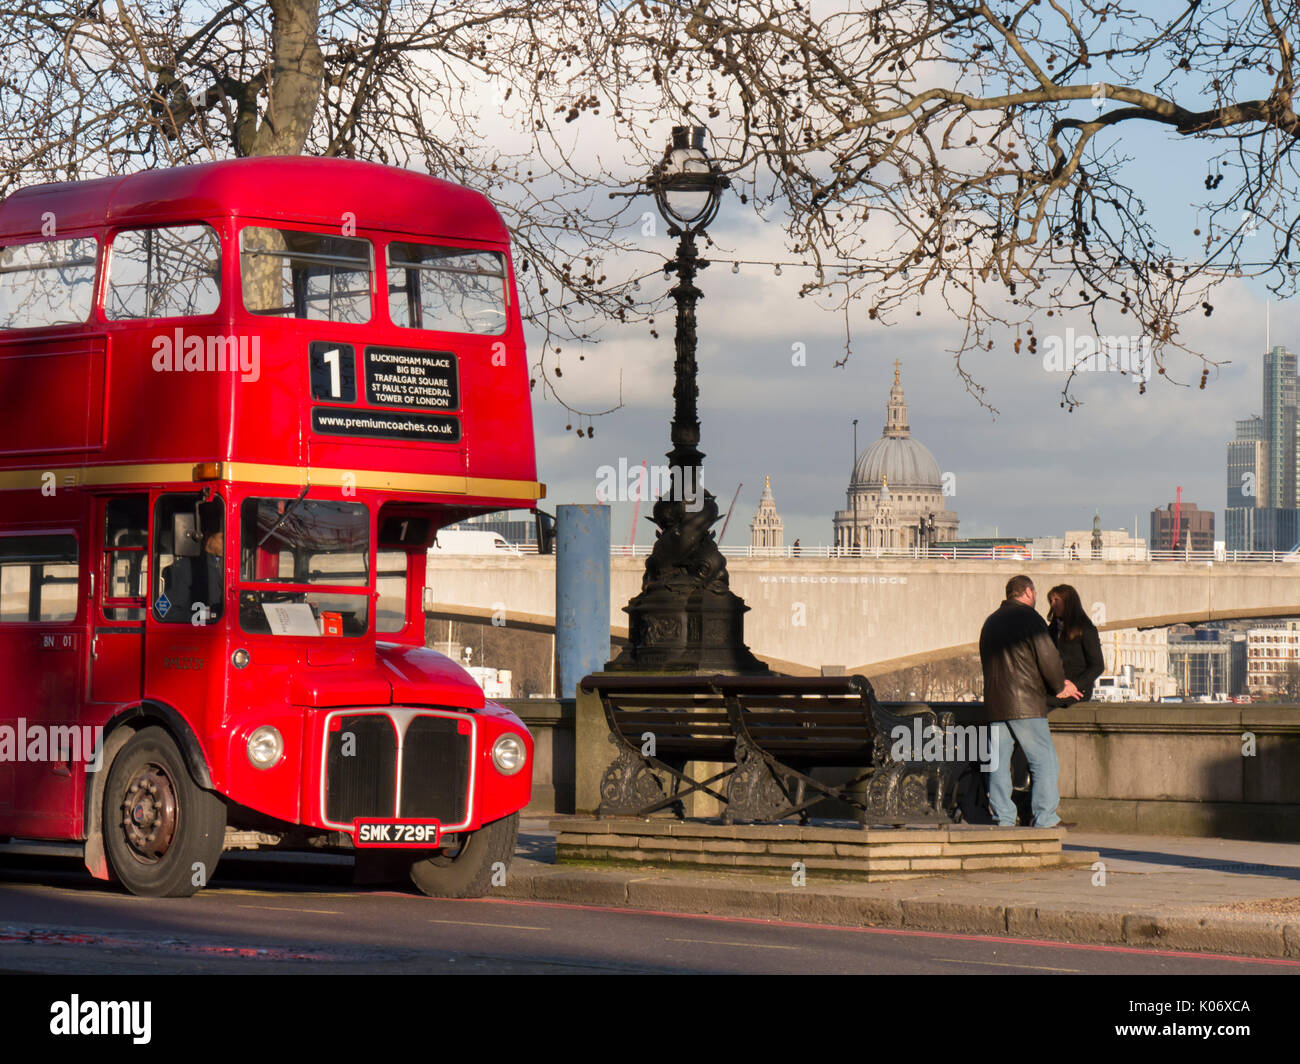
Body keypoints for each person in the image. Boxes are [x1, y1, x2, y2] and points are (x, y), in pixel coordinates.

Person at [978, 575, 1080, 828]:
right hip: (1025, 703)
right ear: (1027, 591)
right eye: (1034, 593)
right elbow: (1048, 657)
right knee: (1043, 759)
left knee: (999, 763)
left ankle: (1004, 817)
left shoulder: (990, 622)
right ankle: (1045, 817)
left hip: (996, 703)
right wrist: (1060, 686)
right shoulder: (1030, 619)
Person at [1046, 584, 1105, 708]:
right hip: (1058, 686)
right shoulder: (1052, 629)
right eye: (1051, 601)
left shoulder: (1086, 629)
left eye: (1056, 600)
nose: (1052, 604)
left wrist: (1074, 686)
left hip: (1078, 689)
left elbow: (1098, 665)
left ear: (1069, 603)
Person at [162, 528, 224, 622]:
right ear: (207, 536)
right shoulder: (185, 567)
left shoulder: (223, 568)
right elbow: (169, 612)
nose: (227, 543)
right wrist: (213, 614)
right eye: (223, 538)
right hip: (195, 632)